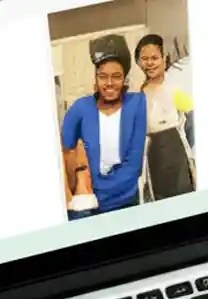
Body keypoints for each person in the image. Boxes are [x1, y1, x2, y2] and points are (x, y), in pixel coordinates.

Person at [60, 36, 147, 215]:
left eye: (116, 77)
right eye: (102, 76)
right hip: (86, 205)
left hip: (125, 201)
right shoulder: (80, 108)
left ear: (125, 78)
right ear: (95, 77)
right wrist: (77, 190)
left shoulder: (137, 104)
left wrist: (97, 194)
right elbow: (64, 151)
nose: (109, 83)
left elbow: (133, 167)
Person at [135, 34, 195, 202]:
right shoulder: (140, 94)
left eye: (154, 58)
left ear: (164, 58)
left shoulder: (174, 88)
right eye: (144, 59)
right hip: (154, 154)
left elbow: (192, 118)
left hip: (177, 150)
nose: (150, 63)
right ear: (139, 62)